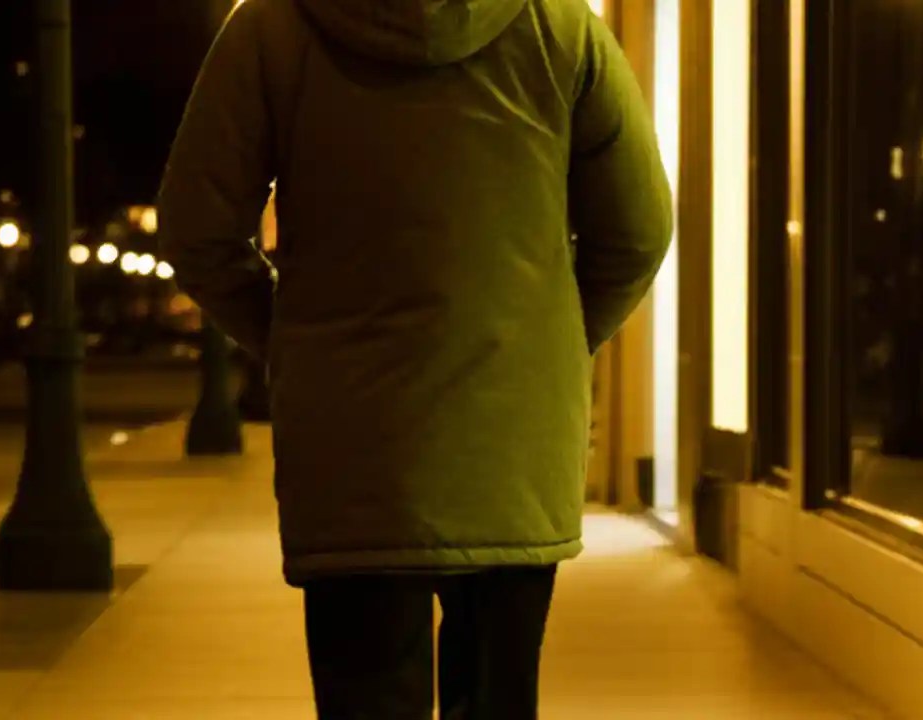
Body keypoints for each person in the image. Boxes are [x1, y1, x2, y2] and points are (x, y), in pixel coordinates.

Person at [157, 0, 672, 717]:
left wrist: (289, 338)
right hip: (511, 450)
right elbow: (639, 233)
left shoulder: (272, 29)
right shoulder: (562, 28)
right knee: (498, 696)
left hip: (352, 450)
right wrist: (544, 347)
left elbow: (197, 230)